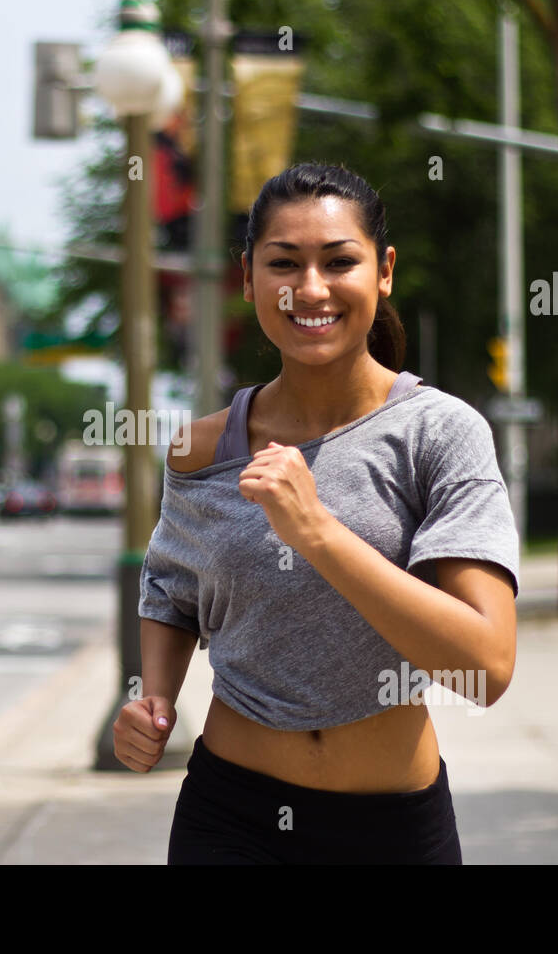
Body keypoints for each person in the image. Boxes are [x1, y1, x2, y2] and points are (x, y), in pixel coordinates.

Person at [114, 162, 520, 864]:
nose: (310, 289)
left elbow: (484, 666)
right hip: (230, 819)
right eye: (283, 263)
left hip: (392, 831)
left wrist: (318, 533)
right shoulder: (201, 449)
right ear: (247, 279)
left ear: (383, 271)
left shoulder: (440, 434)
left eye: (339, 262)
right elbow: (171, 590)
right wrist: (151, 700)